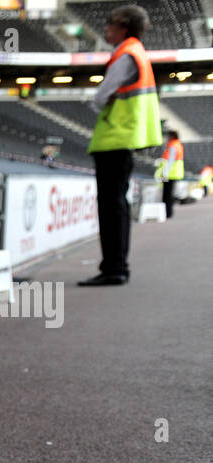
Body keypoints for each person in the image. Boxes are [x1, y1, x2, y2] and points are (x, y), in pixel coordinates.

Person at [79, 5, 162, 287]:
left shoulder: (126, 53)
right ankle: (116, 266)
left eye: (110, 23)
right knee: (118, 206)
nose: (106, 28)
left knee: (111, 208)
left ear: (124, 25)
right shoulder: (136, 51)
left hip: (114, 139)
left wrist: (102, 99)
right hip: (124, 140)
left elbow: (100, 98)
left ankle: (114, 268)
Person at [154, 129, 184, 219]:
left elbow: (170, 160)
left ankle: (167, 213)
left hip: (169, 174)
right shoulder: (178, 144)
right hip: (174, 173)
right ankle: (168, 212)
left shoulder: (173, 145)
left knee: (166, 195)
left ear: (172, 136)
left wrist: (164, 174)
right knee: (169, 194)